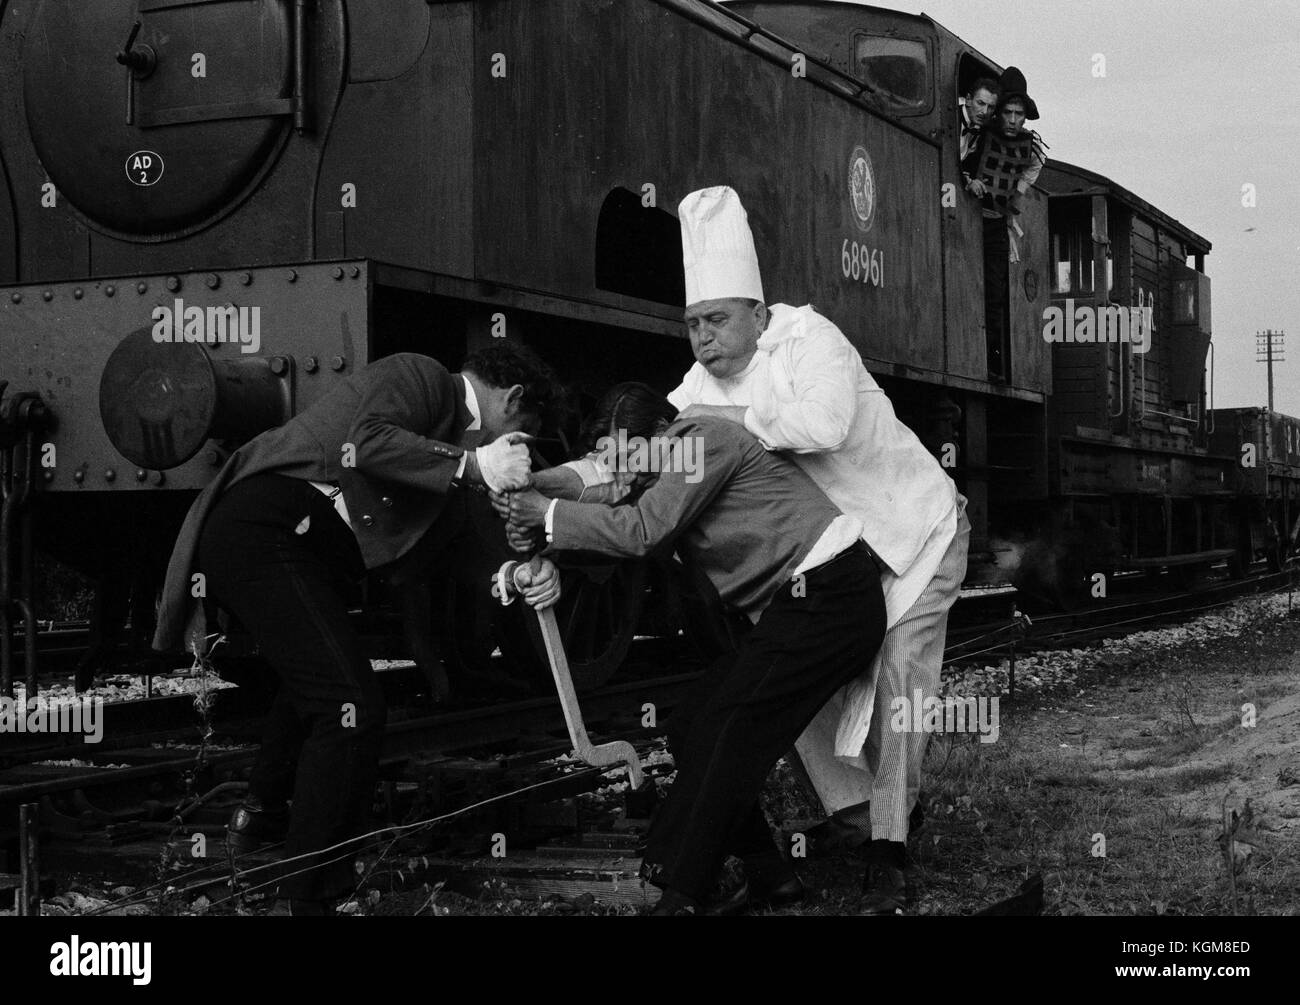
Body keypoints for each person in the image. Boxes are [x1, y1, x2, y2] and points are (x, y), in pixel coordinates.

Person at [152, 343, 564, 914]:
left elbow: (473, 552)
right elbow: (367, 443)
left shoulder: (450, 460)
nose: (512, 455)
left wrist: (521, 572)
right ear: (512, 398)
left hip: (294, 550)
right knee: (351, 706)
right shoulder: (423, 376)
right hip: (261, 528)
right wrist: (477, 464)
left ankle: (263, 816)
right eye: (519, 434)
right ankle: (308, 899)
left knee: (321, 685)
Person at [662, 186, 970, 915]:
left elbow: (825, 424)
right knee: (803, 679)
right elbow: (662, 444)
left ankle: (891, 845)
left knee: (899, 675)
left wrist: (725, 419)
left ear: (759, 316)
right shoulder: (699, 385)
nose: (703, 338)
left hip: (914, 528)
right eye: (692, 324)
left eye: (717, 319)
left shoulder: (812, 339)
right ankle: (859, 817)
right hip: (840, 558)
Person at [506, 383, 887, 915]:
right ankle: (769, 875)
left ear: (662, 433)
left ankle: (681, 890)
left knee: (732, 727)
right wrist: (530, 496)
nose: (629, 475)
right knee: (691, 727)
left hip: (829, 596)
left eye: (632, 458)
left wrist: (544, 512)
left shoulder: (700, 439)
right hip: (798, 610)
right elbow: (601, 494)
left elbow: (641, 531)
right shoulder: (662, 461)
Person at [965, 67, 1047, 377]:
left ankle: (993, 361)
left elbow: (1036, 166)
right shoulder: (980, 134)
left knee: (996, 292)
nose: (1013, 120)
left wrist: (1019, 192)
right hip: (971, 214)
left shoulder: (1032, 146)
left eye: (1019, 114)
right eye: (1008, 113)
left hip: (997, 222)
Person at [958, 76, 1001, 172]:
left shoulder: (978, 129)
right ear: (968, 100)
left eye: (990, 107)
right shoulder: (951, 116)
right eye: (980, 103)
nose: (985, 111)